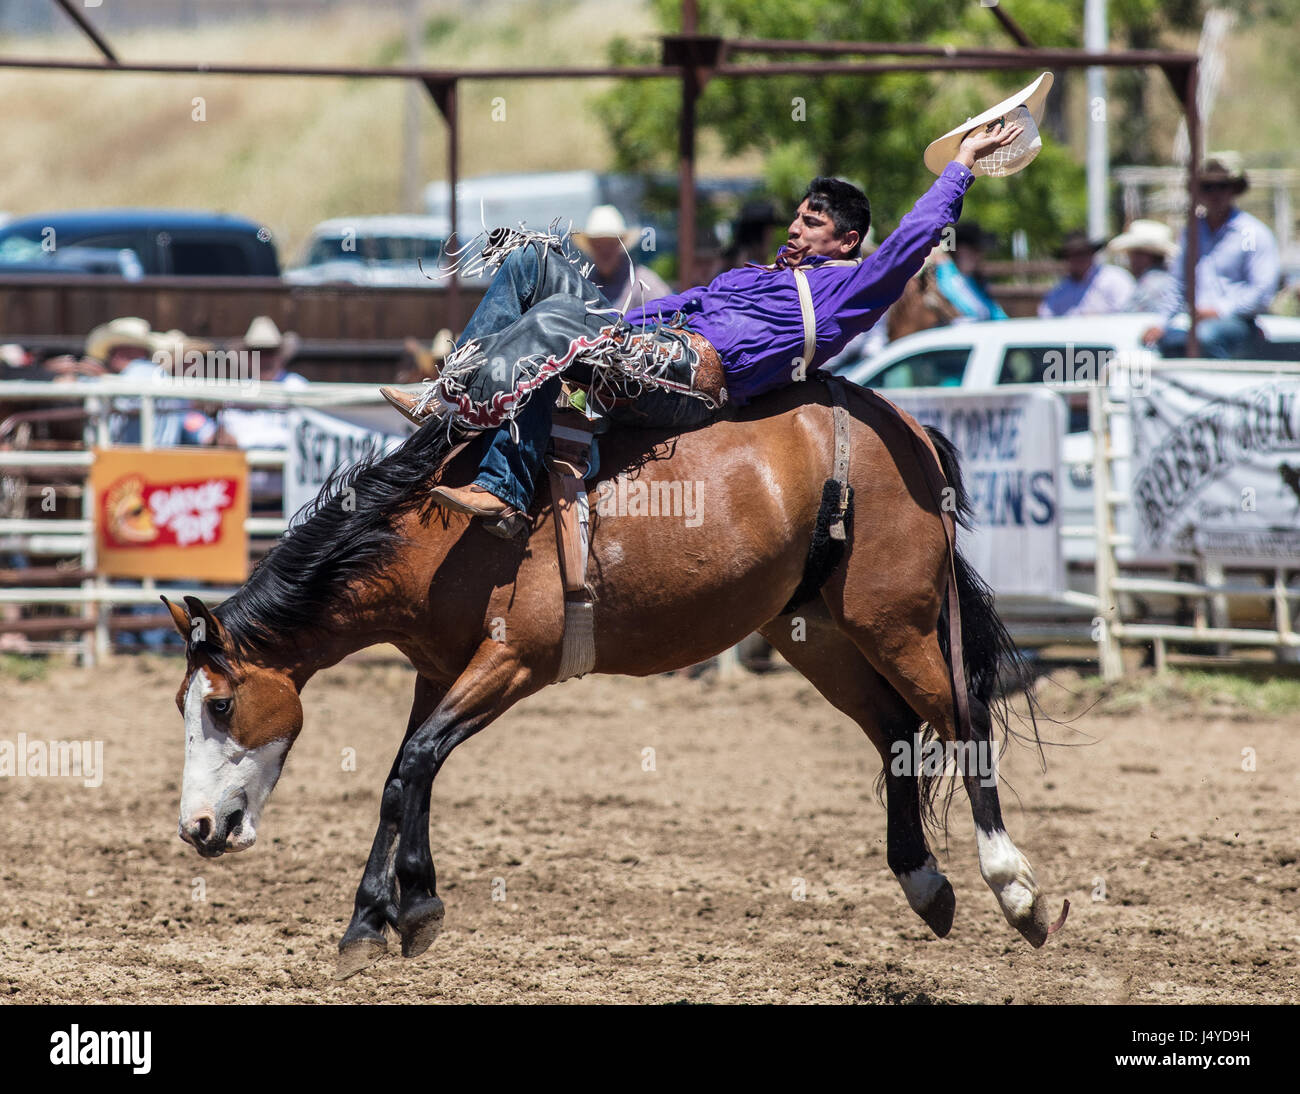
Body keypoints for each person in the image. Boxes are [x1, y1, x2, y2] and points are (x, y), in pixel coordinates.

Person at [382, 122, 1030, 538]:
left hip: (692, 382)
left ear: (847, 239)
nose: (795, 229)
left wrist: (963, 165)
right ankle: (453, 391)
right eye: (797, 219)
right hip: (647, 350)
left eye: (811, 223)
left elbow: (913, 241)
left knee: (553, 324)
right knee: (531, 263)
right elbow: (661, 314)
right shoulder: (749, 279)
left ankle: (502, 484)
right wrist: (602, 326)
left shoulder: (846, 289)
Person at [1143, 154, 1281, 358]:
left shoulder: (1253, 233)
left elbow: (1262, 293)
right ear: (1199, 192)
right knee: (1163, 341)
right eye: (1207, 187)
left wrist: (1218, 311)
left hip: (1238, 323)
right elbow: (1178, 285)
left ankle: (1222, 386)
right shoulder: (1191, 233)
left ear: (1233, 189)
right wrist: (1161, 323)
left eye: (1222, 186)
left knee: (1205, 336)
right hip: (1192, 323)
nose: (1215, 193)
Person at [572, 205, 672, 306]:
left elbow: (667, 314)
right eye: (598, 244)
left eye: (611, 244)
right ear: (591, 247)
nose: (605, 251)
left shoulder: (646, 284)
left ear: (620, 246)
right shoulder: (584, 285)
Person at [1038, 230, 1135, 316]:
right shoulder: (1060, 291)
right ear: (1066, 258)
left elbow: (1131, 311)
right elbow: (1046, 317)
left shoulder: (1115, 279)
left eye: (1083, 253)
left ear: (1092, 254)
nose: (1079, 258)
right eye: (1073, 254)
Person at [932, 221, 1008, 322]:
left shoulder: (972, 279)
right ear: (960, 250)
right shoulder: (947, 274)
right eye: (975, 249)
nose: (979, 255)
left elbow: (994, 312)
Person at [1108, 219, 1177, 313]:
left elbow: (1129, 317)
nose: (1131, 260)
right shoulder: (1170, 279)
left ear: (1145, 256)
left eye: (1133, 254)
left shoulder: (1150, 283)